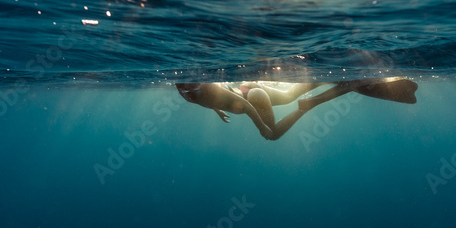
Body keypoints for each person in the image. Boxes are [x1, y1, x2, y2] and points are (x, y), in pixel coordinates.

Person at [175, 78, 417, 140]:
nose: (192, 84)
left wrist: (261, 128)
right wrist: (217, 110)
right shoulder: (186, 89)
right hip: (251, 90)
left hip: (253, 98)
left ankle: (308, 107)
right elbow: (203, 99)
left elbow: (247, 106)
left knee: (273, 135)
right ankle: (326, 80)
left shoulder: (202, 88)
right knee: (291, 94)